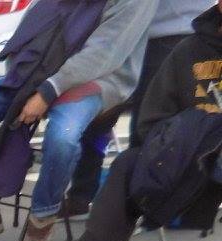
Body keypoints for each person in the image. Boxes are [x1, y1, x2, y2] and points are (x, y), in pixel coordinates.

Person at [0, 0, 156, 241]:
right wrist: (23, 75)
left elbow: (105, 53)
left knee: (62, 137)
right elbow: (31, 30)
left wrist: (48, 91)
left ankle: (42, 218)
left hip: (95, 79)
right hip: (38, 69)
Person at [51, 0, 222, 241]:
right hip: (183, 155)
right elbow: (153, 119)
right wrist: (182, 141)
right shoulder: (189, 50)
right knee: (129, 162)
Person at [66, 0, 209, 216]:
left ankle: (133, 203)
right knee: (100, 117)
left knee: (146, 126)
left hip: (167, 36)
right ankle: (85, 195)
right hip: (132, 32)